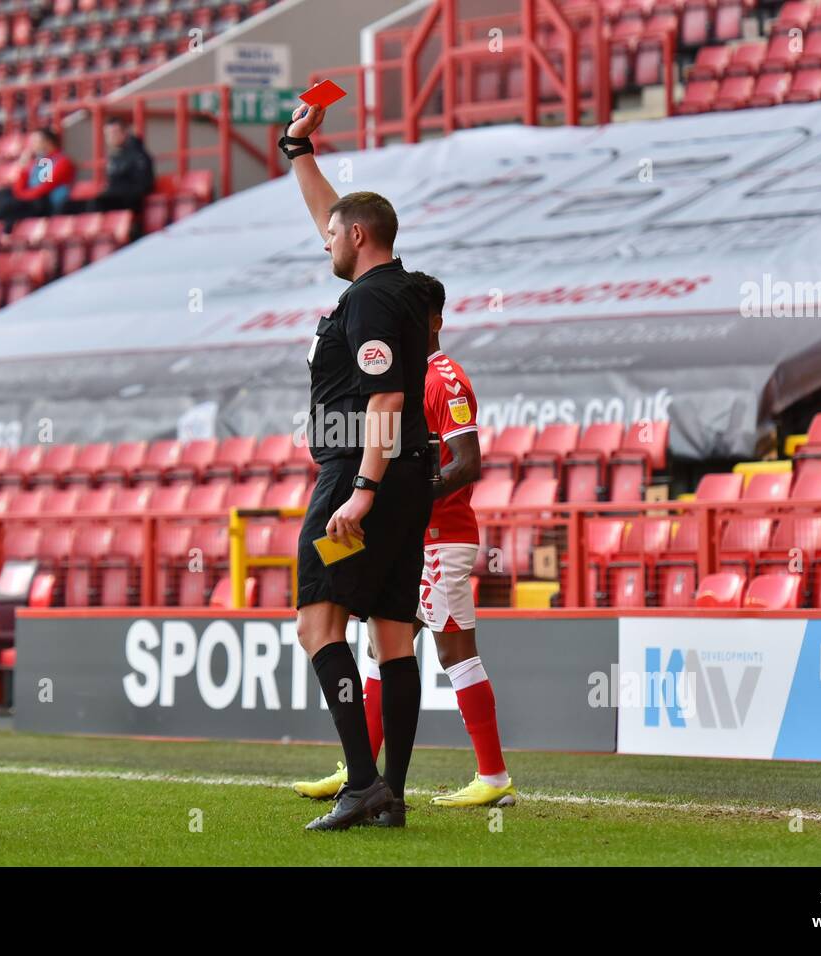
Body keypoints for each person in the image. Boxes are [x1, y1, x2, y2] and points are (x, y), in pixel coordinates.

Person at [292, 272, 516, 813]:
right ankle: (363, 774)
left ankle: (492, 774)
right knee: (385, 646)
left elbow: (468, 463)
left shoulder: (443, 378)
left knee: (452, 648)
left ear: (434, 321)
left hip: (442, 537)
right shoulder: (401, 376)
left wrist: (412, 494)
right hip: (411, 532)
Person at [281, 103, 432, 831]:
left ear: (359, 237)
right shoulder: (398, 288)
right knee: (394, 633)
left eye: (335, 234)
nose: (325, 240)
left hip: (355, 474)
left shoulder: (366, 300)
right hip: (411, 479)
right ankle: (391, 795)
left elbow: (387, 398)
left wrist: (362, 490)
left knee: (319, 624)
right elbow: (331, 216)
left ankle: (362, 783)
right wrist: (297, 149)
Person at [0, 128, 75, 231]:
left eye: (36, 141)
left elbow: (43, 189)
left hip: (46, 202)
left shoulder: (62, 162)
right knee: (1, 195)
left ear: (48, 142)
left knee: (10, 205)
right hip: (31, 199)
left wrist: (21, 195)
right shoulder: (39, 161)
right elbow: (19, 187)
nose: (33, 145)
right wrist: (23, 168)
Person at [92, 118, 155, 217]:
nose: (110, 137)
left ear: (125, 132)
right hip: (118, 196)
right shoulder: (116, 156)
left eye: (114, 133)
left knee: (97, 202)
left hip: (132, 201)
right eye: (107, 134)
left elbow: (143, 185)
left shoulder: (138, 154)